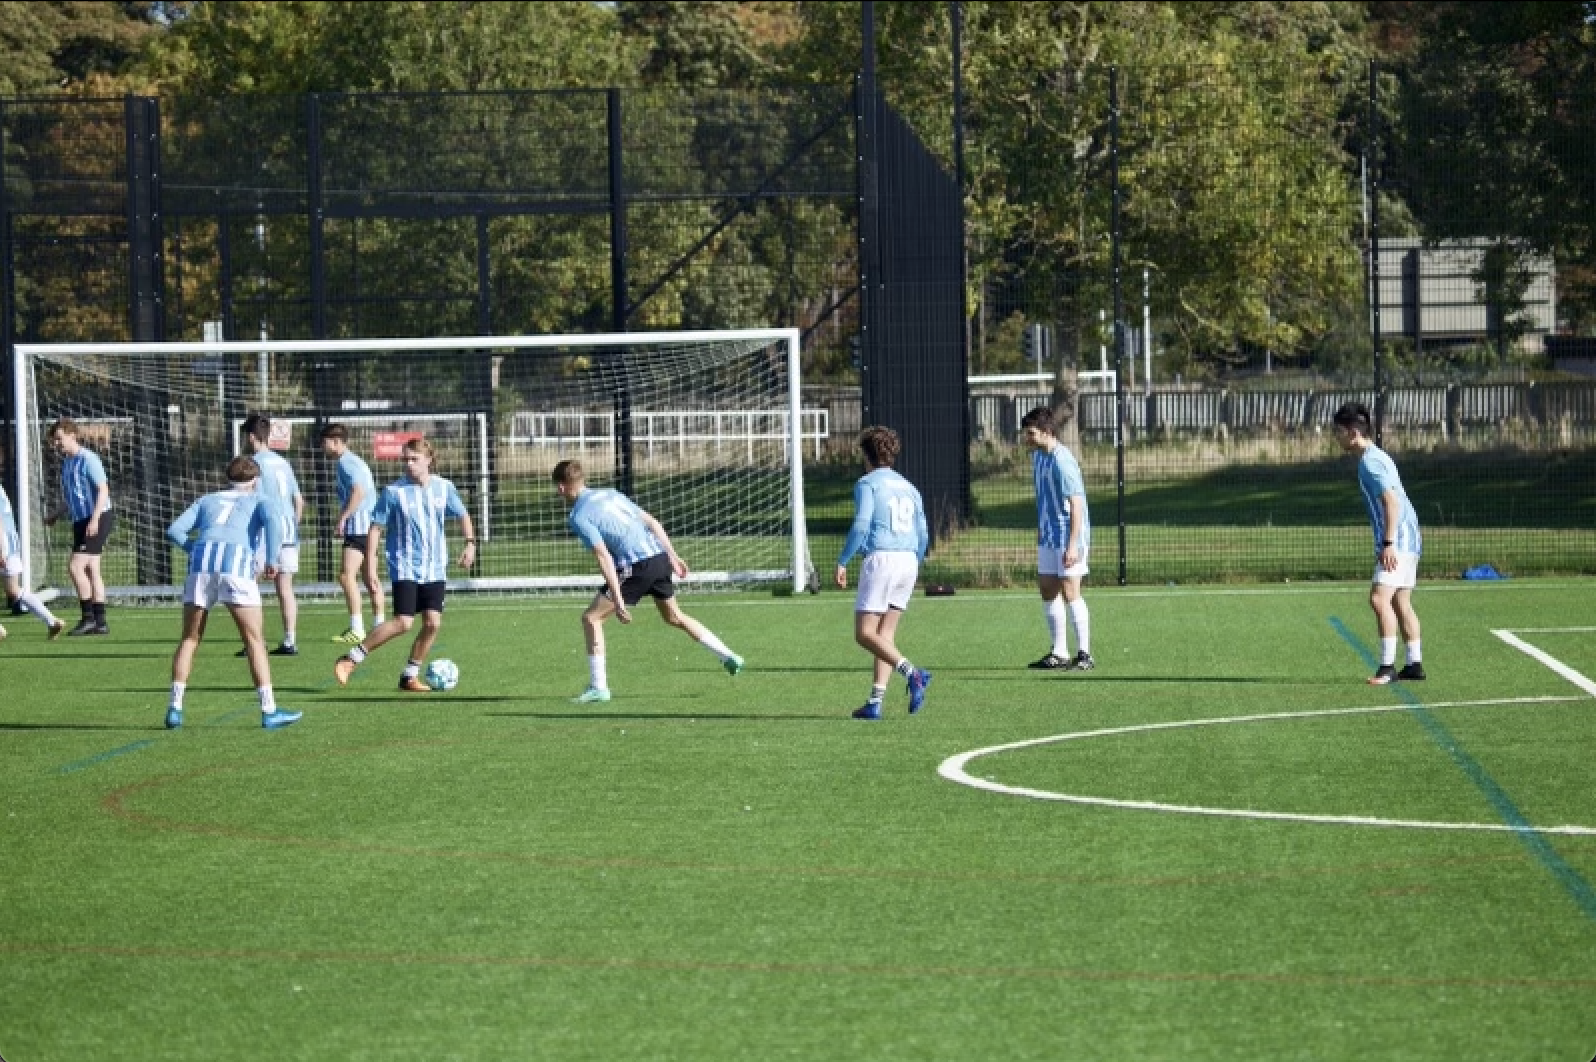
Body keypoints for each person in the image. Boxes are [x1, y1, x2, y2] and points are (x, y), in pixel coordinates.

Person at [551, 458, 744, 704]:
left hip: (637, 567)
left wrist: (618, 599)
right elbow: (653, 523)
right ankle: (728, 656)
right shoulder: (611, 494)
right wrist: (673, 556)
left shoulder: (578, 515)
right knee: (675, 617)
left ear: (561, 487)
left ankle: (599, 687)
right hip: (658, 557)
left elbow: (604, 557)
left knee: (592, 617)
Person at [163, 456, 302, 729]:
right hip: (235, 567)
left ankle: (174, 708)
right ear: (256, 480)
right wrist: (272, 560)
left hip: (200, 567)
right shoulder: (261, 499)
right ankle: (269, 710)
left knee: (190, 639)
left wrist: (193, 550)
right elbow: (274, 523)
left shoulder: (207, 500)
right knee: (254, 641)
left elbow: (174, 530)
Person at [334, 437, 476, 693]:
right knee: (403, 622)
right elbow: (376, 528)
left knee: (433, 623)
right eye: (405, 459)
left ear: (429, 460)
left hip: (435, 567)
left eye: (414, 459)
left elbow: (463, 514)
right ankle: (350, 659)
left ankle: (409, 675)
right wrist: (370, 564)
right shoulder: (393, 492)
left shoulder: (444, 488)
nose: (409, 464)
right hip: (405, 565)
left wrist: (470, 543)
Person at [834, 426, 931, 720]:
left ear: (866, 455)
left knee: (864, 634)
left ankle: (913, 673)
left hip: (882, 559)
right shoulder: (908, 486)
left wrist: (843, 559)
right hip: (909, 560)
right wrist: (916, 560)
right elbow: (923, 531)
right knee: (884, 634)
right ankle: (875, 702)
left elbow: (862, 524)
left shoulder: (867, 483)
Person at [1332, 401, 1425, 685]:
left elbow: (1391, 501)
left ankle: (1387, 668)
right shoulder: (1376, 456)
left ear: (1351, 432)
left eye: (1337, 431)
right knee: (1400, 601)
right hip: (1410, 536)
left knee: (1378, 599)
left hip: (1398, 540)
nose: (1335, 437)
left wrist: (1388, 543)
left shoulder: (1371, 463)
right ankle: (1414, 664)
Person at [1020, 406, 1094, 671]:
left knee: (1071, 590)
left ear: (1047, 432)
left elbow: (1077, 504)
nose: (1026, 438)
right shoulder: (1038, 457)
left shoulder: (1063, 461)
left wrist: (1073, 544)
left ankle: (1084, 654)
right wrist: (1041, 528)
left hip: (1068, 536)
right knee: (1047, 588)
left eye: (1031, 433)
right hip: (1049, 535)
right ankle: (1059, 652)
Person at [238, 412, 304, 656]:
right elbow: (299, 500)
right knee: (284, 587)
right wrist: (292, 525)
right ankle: (289, 641)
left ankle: (255, 642)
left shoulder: (256, 464)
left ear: (252, 437)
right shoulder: (282, 462)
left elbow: (255, 501)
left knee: (249, 585)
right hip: (288, 532)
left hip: (268, 533)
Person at [43, 418, 114, 636]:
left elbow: (103, 490)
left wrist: (94, 520)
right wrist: (56, 513)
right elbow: (74, 497)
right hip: (80, 519)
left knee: (75, 567)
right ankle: (100, 622)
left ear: (72, 435)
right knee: (92, 569)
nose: (57, 444)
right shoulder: (68, 463)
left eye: (59, 439)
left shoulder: (89, 459)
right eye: (54, 440)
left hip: (97, 517)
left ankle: (88, 618)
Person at [320, 424, 386, 644]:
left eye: (325, 442)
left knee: (346, 576)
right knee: (370, 577)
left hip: (359, 525)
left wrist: (343, 517)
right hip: (370, 525)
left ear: (336, 441)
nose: (323, 446)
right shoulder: (355, 461)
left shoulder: (346, 463)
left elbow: (359, 492)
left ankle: (357, 628)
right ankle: (379, 625)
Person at [0, 481, 66, 643]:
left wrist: (1, 548)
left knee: (14, 590)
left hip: (3, 543)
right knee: (14, 591)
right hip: (11, 543)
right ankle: (51, 621)